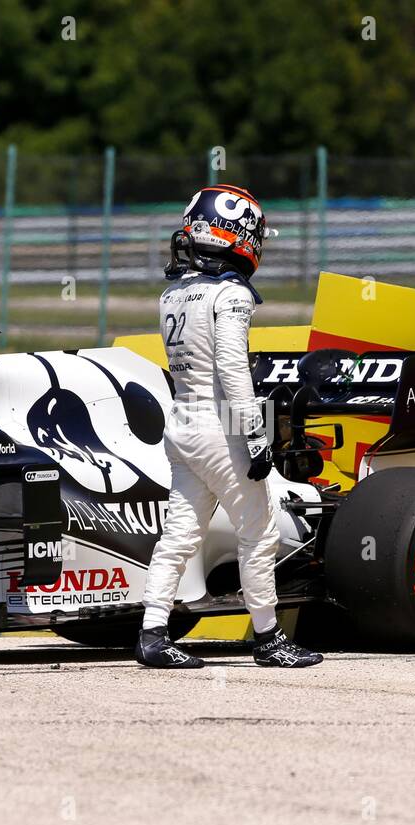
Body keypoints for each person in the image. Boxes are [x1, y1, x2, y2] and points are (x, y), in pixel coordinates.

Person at [136, 184, 324, 669]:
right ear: (237, 234)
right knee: (259, 534)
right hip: (219, 427)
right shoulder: (230, 292)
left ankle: (153, 633)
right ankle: (268, 639)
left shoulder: (173, 291)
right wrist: (257, 437)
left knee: (179, 534)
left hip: (181, 422)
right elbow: (233, 370)